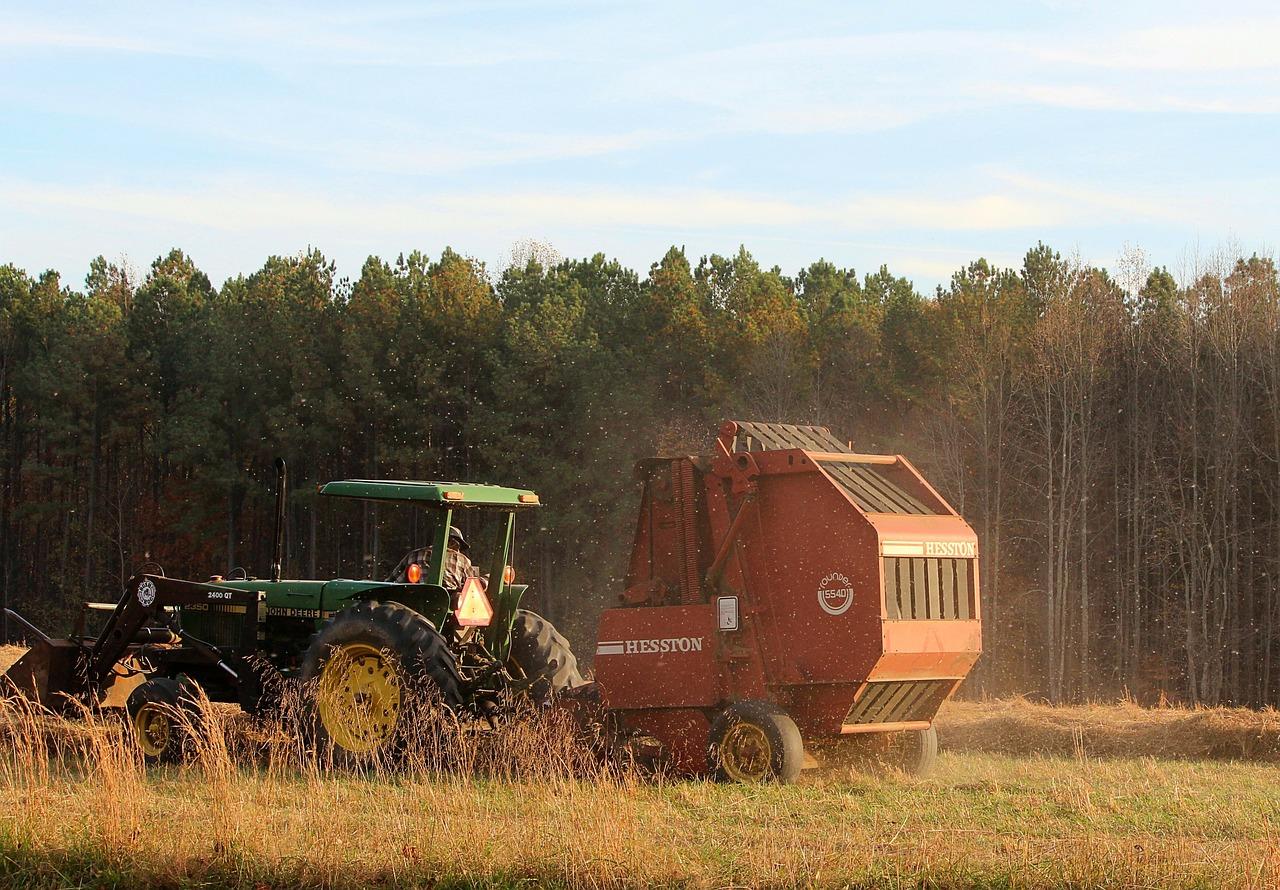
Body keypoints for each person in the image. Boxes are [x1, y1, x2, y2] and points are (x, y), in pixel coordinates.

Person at [387, 526, 474, 591]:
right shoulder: (463, 560)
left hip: (416, 603)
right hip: (448, 604)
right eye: (458, 547)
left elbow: (392, 583)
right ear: (452, 543)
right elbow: (472, 590)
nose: (458, 551)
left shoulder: (413, 555)